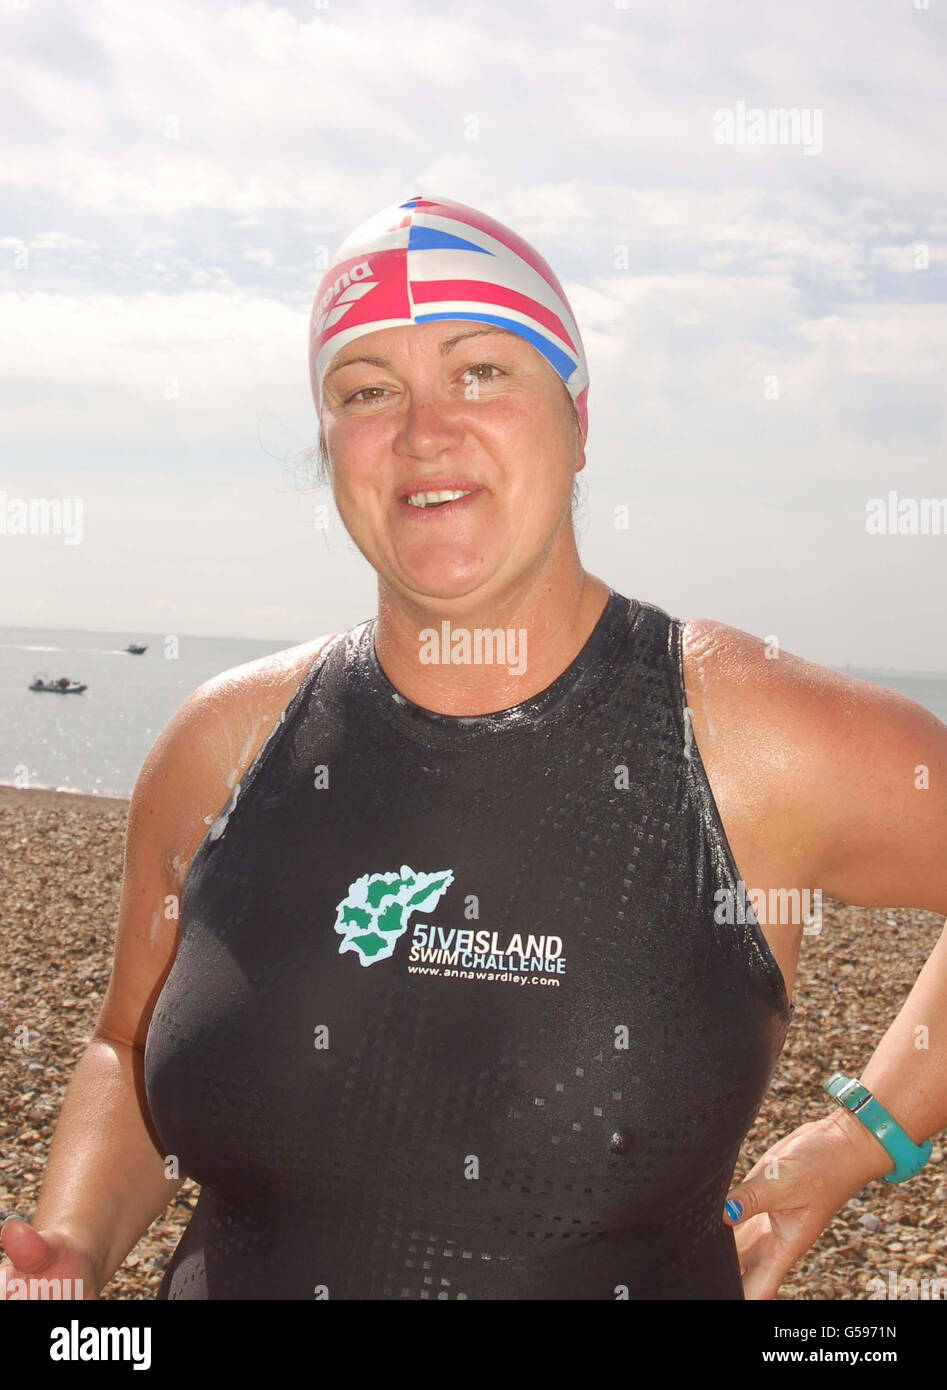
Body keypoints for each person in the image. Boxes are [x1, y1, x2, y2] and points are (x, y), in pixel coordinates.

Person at [2, 194, 945, 1301]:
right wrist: (72, 1250)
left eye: (480, 372)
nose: (422, 430)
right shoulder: (224, 741)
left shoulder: (748, 735)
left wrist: (865, 1133)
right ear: (329, 445)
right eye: (366, 391)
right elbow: (124, 1048)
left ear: (578, 414)